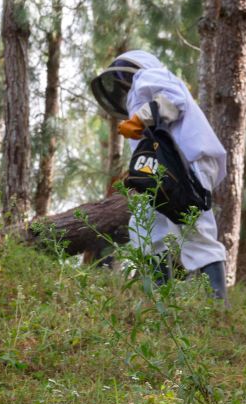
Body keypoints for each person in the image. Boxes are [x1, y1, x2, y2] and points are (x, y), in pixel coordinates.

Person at [90, 50, 228, 300]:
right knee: (145, 226)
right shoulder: (143, 88)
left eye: (122, 78)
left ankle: (217, 301)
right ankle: (158, 296)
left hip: (187, 163)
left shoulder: (150, 76)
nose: (121, 88)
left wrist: (141, 119)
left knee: (194, 226)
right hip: (168, 169)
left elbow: (174, 101)